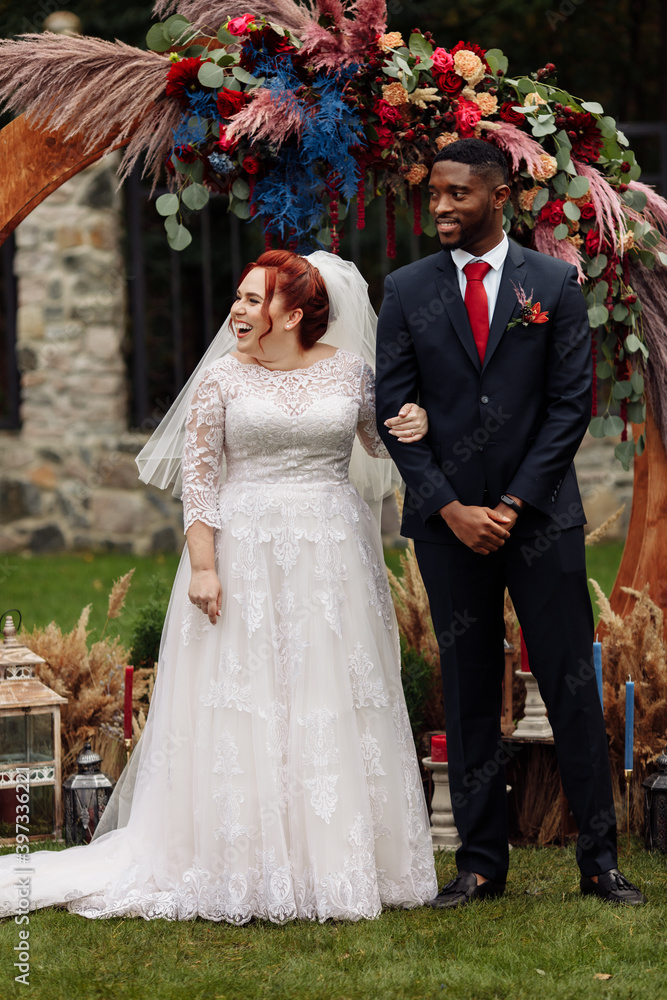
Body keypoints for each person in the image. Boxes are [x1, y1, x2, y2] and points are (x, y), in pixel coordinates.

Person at [0, 250, 438, 924]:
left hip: (330, 556)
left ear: (292, 313)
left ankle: (337, 860)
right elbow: (200, 487)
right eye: (236, 296)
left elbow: (382, 443)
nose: (236, 310)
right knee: (246, 694)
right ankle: (239, 857)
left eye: (252, 299)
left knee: (329, 690)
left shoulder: (351, 373)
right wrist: (204, 567)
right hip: (244, 552)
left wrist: (413, 422)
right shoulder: (221, 383)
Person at [375, 138, 647, 908]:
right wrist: (451, 507)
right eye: (433, 194)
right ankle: (479, 864)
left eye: (457, 193)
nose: (440, 207)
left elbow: (570, 409)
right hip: (445, 524)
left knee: (568, 688)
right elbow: (390, 411)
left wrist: (510, 505)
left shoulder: (554, 284)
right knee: (466, 690)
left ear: (500, 197)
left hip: (540, 521)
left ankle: (599, 862)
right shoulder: (404, 288)